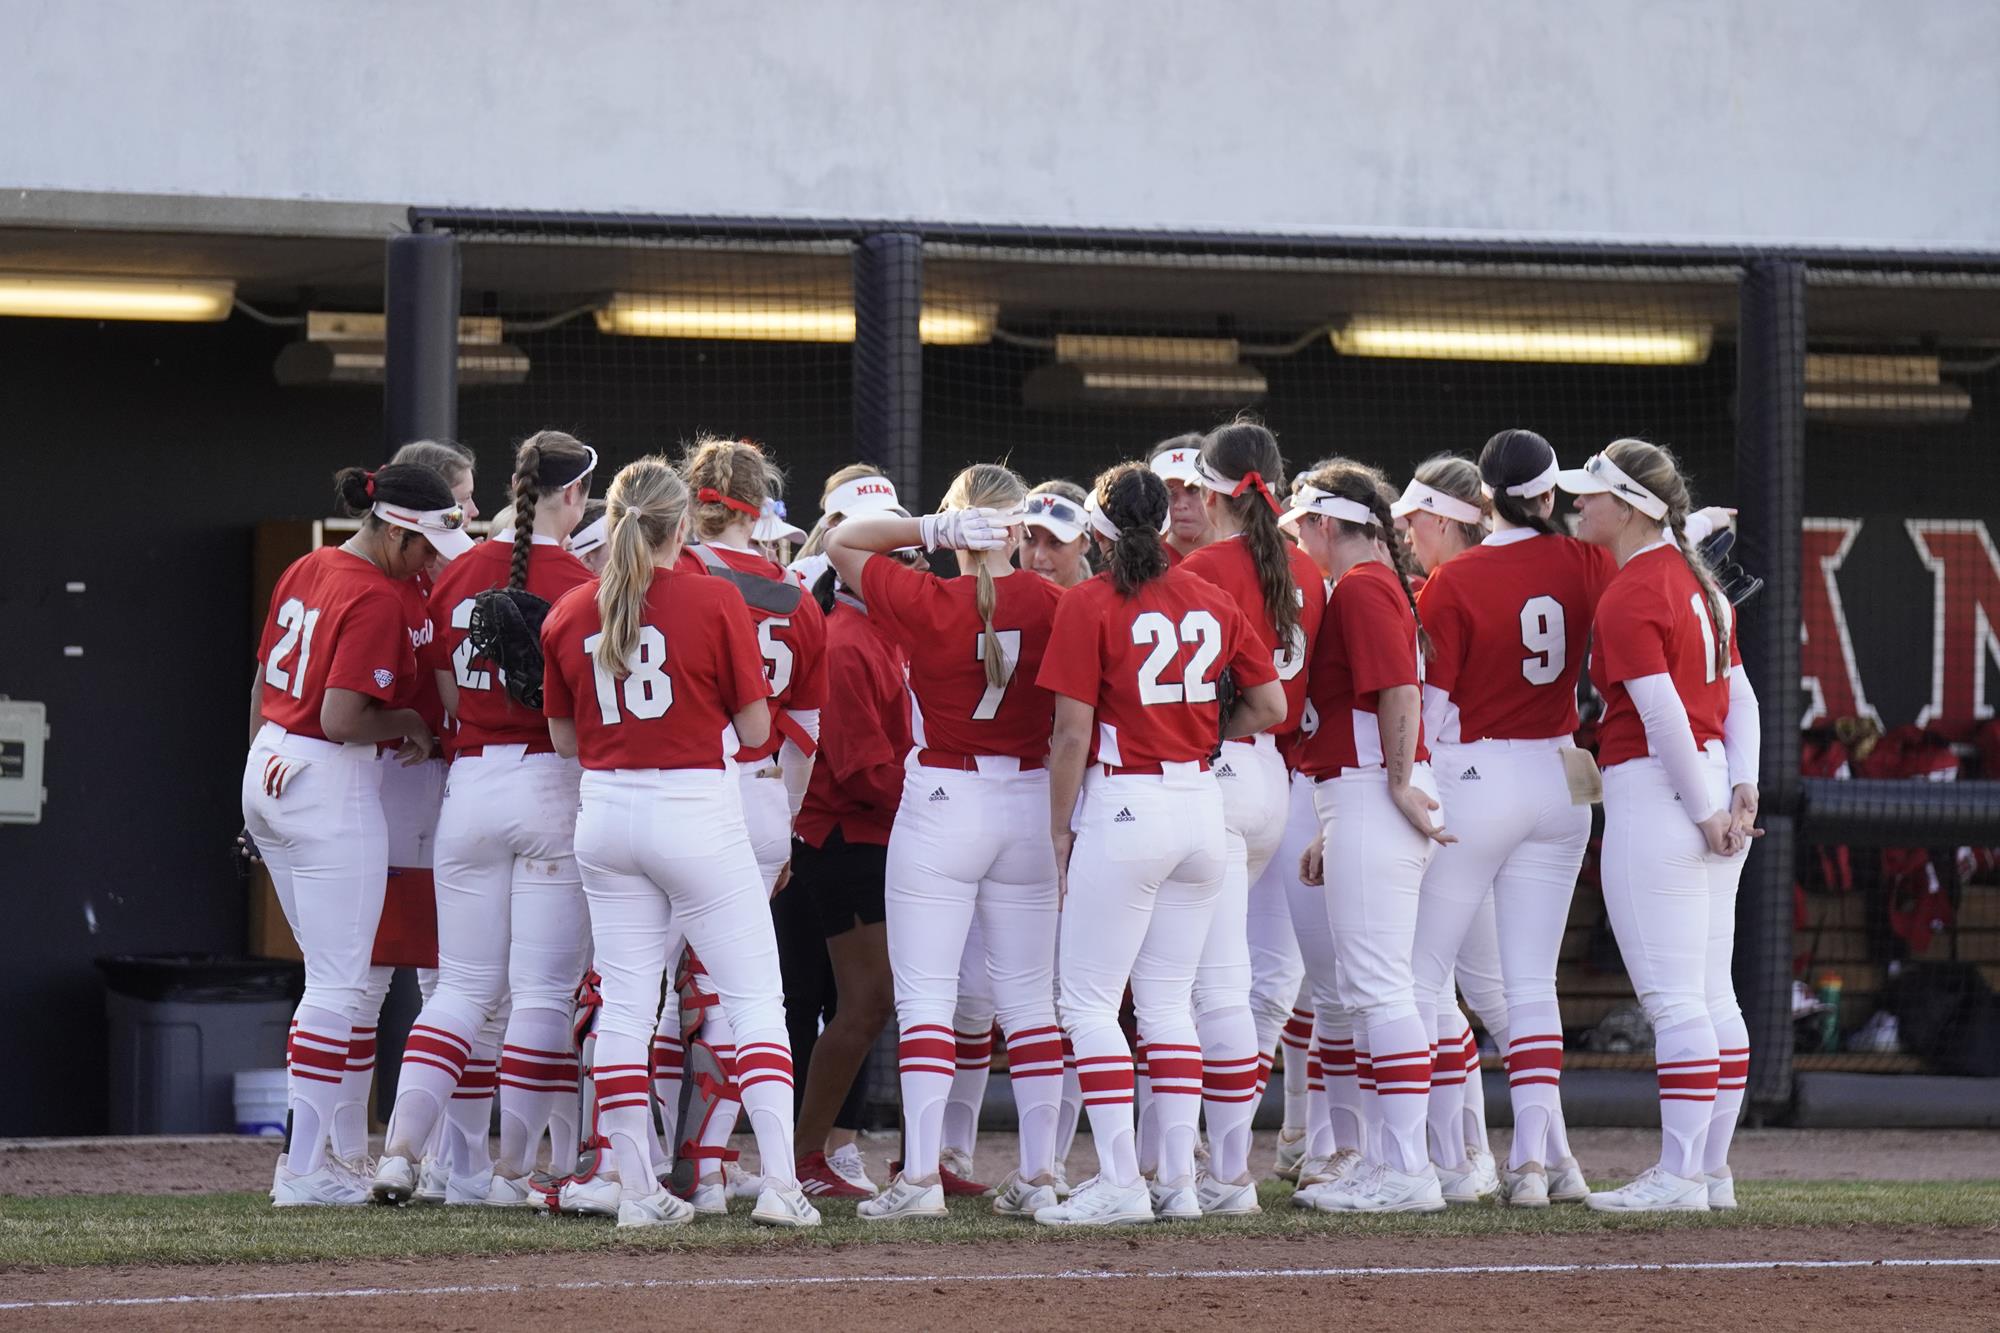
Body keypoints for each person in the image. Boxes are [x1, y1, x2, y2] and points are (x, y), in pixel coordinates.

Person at [538, 455, 819, 1230]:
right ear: (682, 522)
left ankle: (635, 1189)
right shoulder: (713, 598)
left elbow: (564, 739)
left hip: (606, 812)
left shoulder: (569, 609)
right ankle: (781, 1186)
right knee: (756, 997)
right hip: (693, 806)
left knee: (628, 1005)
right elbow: (759, 732)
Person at [1032, 462, 1284, 1227]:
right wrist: (1207, 733)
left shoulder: (1088, 602)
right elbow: (1269, 704)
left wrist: (1059, 825)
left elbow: (1072, 733)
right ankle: (1176, 1178)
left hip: (1130, 803)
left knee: (1087, 1002)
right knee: (1172, 1002)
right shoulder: (1209, 596)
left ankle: (1119, 1179)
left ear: (1101, 532)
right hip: (1202, 805)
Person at [823, 463, 1068, 1221]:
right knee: (1030, 1004)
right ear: (1020, 530)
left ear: (961, 530)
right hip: (1029, 798)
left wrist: (930, 528)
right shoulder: (1055, 598)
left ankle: (921, 1176)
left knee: (927, 995)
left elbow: (840, 541)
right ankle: (1039, 1172)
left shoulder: (926, 595)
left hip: (943, 798)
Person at [371, 431, 598, 1208]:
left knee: (461, 989)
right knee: (539, 991)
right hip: (549, 784)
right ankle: (510, 1173)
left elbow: (450, 699)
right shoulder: (579, 577)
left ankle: (400, 1153)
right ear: (574, 496)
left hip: (468, 784)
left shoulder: (458, 568)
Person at [245, 462, 467, 1206]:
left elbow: (260, 688)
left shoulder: (309, 563)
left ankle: (328, 1159)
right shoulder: (376, 593)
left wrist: (264, 757)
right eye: (427, 544)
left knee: (331, 978)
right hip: (328, 777)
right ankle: (303, 1168)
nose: (434, 560)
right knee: (338, 985)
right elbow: (343, 719)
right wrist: (412, 722)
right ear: (397, 528)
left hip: (269, 761)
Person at [1558, 439, 1759, 1213]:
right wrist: (1741, 790)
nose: (1581, 503)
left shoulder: (1637, 588)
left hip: (1662, 791)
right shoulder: (1699, 582)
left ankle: (1681, 1176)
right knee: (1713, 998)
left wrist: (1713, 811)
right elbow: (1740, 701)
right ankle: (1708, 1173)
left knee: (1677, 1003)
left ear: (1633, 506)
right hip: (1705, 783)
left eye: (1593, 493)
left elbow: (1663, 714)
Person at [660, 437, 828, 1210]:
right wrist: (785, 823)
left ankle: (639, 1159)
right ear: (761, 508)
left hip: (678, 779)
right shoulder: (797, 591)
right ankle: (707, 1162)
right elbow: (807, 733)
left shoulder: (675, 574)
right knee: (731, 992)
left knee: (642, 990)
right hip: (760, 791)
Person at [1290, 460, 1452, 1214]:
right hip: (1357, 792)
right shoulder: (1370, 581)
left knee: (1380, 988)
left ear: (1326, 523)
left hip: (1371, 790)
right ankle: (1393, 1159)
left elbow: (1398, 687)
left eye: (1304, 526)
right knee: (1371, 988)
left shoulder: (1360, 584)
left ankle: (1407, 1167)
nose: (1302, 540)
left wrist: (1385, 784)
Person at [1175, 421, 1324, 1216]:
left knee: (1209, 986)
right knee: (1266, 985)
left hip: (1221, 769)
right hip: (1283, 780)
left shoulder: (1203, 565)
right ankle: (1225, 1158)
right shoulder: (1308, 564)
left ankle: (1216, 1168)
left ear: (1211, 489)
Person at [788, 469, 916, 1199]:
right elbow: (865, 769)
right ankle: (805, 1157)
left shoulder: (873, 627)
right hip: (846, 839)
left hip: (861, 834)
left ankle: (812, 1154)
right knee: (864, 1001)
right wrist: (937, 801)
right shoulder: (844, 639)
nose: (894, 556)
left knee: (868, 1002)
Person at [1389, 453, 1509, 1200]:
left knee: (1422, 983)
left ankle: (1464, 1159)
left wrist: (1404, 781)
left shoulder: (1449, 588)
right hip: (1535, 783)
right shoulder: (1540, 568)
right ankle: (1537, 1156)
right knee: (1500, 990)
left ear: (1442, 518)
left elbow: (1426, 712)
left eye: (1413, 517)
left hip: (1458, 789)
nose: (1404, 529)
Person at [1020, 480, 1094, 589]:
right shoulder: (995, 601)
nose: (1040, 557)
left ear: (1084, 544)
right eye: (1029, 539)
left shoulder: (1102, 605)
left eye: (1055, 542)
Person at [1149, 435, 1211, 562]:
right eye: (1169, 492)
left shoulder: (1248, 558)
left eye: (1193, 489)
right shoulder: (1143, 567)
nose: (1180, 504)